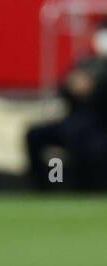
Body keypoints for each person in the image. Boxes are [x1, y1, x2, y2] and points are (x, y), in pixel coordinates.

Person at [26, 24, 107, 191]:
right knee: (35, 134)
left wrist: (95, 87)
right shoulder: (86, 62)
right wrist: (72, 86)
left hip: (99, 126)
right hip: (74, 123)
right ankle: (44, 186)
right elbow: (63, 89)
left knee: (89, 145)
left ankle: (86, 188)